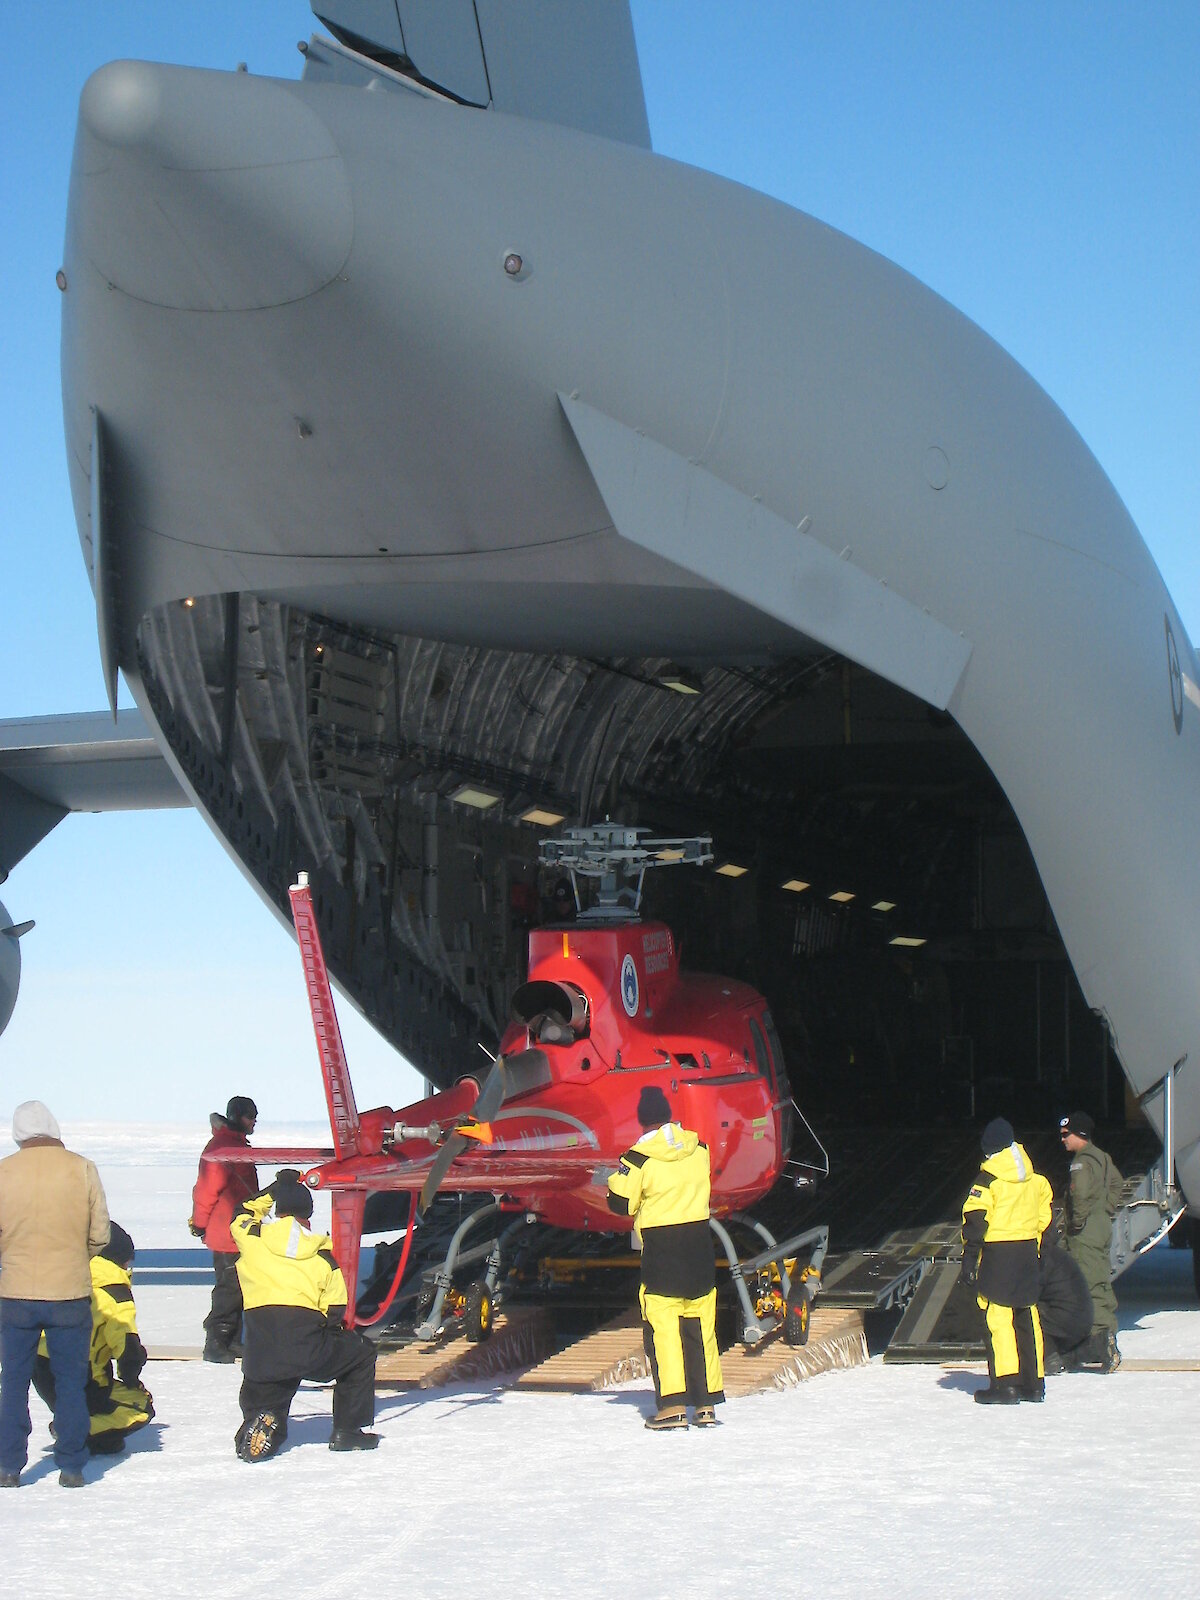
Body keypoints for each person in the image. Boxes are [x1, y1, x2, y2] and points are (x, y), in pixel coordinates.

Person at [0, 1101, 110, 1488]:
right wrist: (74, 1258)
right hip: (69, 1294)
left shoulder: (4, 1171)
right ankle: (72, 1466)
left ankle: (8, 1466)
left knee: (13, 1384)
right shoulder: (82, 1168)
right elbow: (100, 1234)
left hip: (15, 1295)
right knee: (70, 1383)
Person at [230, 1175, 379, 1460]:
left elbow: (242, 1211)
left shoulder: (253, 1239)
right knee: (361, 1354)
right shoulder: (323, 1256)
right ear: (308, 1217)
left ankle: (259, 1422)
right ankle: (348, 1432)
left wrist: (276, 1189)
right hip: (305, 1347)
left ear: (278, 1211)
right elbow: (335, 1310)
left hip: (260, 1353)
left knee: (266, 1391)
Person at [606, 1085, 724, 1430]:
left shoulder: (638, 1159)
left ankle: (672, 1407)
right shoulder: (699, 1149)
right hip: (699, 1248)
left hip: (663, 1251)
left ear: (643, 1121)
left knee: (665, 1329)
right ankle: (706, 1405)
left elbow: (620, 1203)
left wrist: (614, 1178)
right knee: (701, 1326)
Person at [32, 1222, 154, 1456]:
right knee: (140, 1406)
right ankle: (75, 1429)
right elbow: (128, 1349)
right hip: (82, 1378)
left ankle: (81, 1427)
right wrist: (132, 1379)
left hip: (42, 1369)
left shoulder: (66, 1276)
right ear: (118, 1259)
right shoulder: (115, 1292)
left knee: (107, 1437)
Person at [961, 1117, 1053, 1404]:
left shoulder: (987, 1182)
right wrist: (1036, 1245)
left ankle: (1006, 1385)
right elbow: (1045, 1218)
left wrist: (970, 1259)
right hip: (1027, 1251)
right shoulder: (1036, 1180)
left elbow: (975, 1220)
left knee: (999, 1317)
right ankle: (1034, 1384)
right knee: (1027, 1315)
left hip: (998, 1255)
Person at [189, 1095, 259, 1363]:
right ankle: (216, 1343)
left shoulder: (234, 1146)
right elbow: (206, 1190)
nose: (254, 1122)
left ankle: (232, 1340)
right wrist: (199, 1223)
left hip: (238, 1231)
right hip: (226, 1233)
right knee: (229, 1290)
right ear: (237, 1117)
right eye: (250, 1116)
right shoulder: (222, 1149)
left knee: (238, 1287)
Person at [1058, 1110, 1124, 1372]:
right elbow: (1117, 1183)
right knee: (1101, 1283)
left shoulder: (1081, 1162)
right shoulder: (1102, 1157)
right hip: (1100, 1229)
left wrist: (1077, 1223)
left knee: (1089, 1286)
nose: (1062, 1139)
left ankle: (1101, 1341)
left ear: (1079, 1134)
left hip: (1085, 1235)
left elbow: (1080, 1195)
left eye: (1066, 1134)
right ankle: (1105, 1336)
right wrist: (1105, 1209)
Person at [1035, 1215, 1094, 1375]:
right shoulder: (1055, 1253)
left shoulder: (1042, 1257)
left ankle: (1048, 1356)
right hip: (1081, 1318)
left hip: (1067, 1320)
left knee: (1026, 1315)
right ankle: (1087, 1349)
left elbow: (1029, 1293)